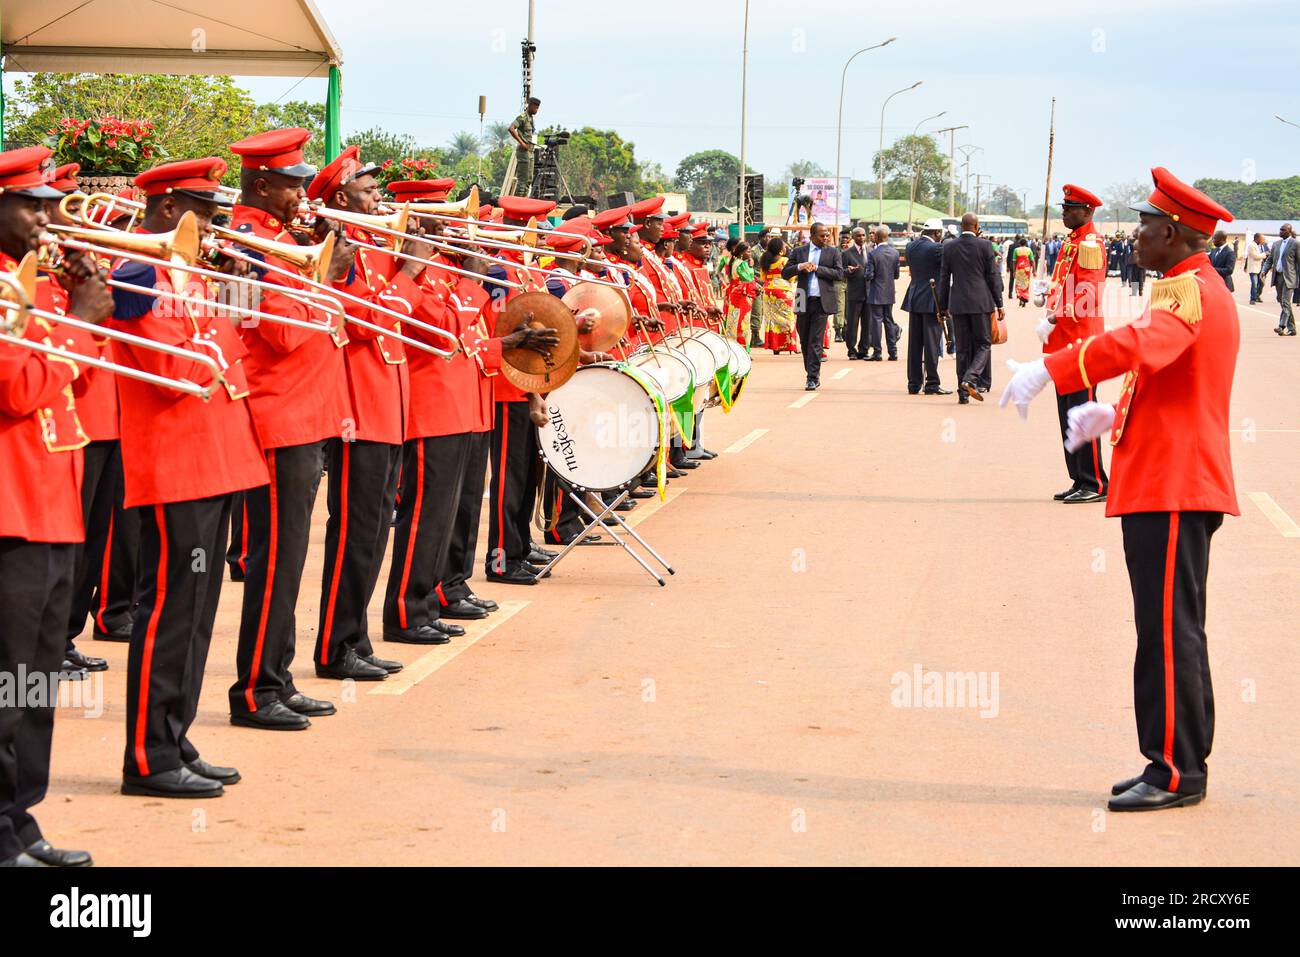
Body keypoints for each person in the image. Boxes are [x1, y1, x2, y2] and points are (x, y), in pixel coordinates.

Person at [1000, 167, 1239, 812]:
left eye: (1145, 225)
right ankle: (1178, 758)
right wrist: (1113, 415)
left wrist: (1051, 369)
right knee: (1172, 627)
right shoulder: (1193, 286)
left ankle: (1174, 771)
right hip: (1173, 477)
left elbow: (1139, 343)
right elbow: (1167, 372)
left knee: (1166, 631)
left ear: (1174, 232)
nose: (1135, 235)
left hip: (1174, 484)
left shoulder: (1184, 290)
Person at [109, 158, 270, 796]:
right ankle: (148, 757)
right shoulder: (137, 274)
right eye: (206, 213)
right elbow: (179, 367)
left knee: (200, 611)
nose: (216, 227)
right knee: (169, 611)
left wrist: (236, 291)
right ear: (171, 210)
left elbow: (242, 345)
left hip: (215, 456)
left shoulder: (191, 272)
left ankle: (175, 735)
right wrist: (217, 340)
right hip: (175, 462)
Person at [0, 144, 109, 865]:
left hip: (53, 501)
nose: (48, 216)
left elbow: (83, 391)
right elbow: (17, 390)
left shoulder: (37, 289)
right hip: (11, 507)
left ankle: (21, 819)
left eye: (49, 202)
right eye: (32, 204)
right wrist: (79, 324)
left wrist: (82, 313)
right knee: (7, 685)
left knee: (37, 683)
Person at [1034, 184, 1109, 503]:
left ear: (1088, 211)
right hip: (1064, 339)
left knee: (1081, 411)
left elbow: (1088, 294)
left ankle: (1094, 483)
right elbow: (1067, 283)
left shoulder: (1090, 243)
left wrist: (1054, 318)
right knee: (1068, 413)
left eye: (1070, 208)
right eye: (1064, 207)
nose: (1064, 213)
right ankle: (1079, 478)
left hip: (1079, 340)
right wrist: (1046, 295)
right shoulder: (1073, 242)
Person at [937, 212, 1002, 404]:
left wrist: (942, 307)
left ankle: (962, 394)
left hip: (958, 304)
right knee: (984, 343)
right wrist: (999, 303)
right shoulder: (985, 245)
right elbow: (992, 276)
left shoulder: (949, 246)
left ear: (960, 226)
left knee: (963, 348)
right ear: (976, 226)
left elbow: (943, 279)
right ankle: (970, 378)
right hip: (981, 303)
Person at [781, 221, 844, 391]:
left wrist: (818, 268)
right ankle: (811, 371)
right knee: (804, 339)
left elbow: (839, 274)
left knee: (816, 341)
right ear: (812, 235)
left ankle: (812, 377)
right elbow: (785, 272)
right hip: (802, 298)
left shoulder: (833, 252)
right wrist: (800, 267)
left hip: (821, 300)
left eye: (827, 235)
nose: (826, 238)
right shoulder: (799, 251)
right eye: (822, 235)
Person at [901, 220, 950, 395]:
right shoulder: (937, 249)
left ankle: (913, 384)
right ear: (937, 233)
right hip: (932, 300)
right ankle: (932, 384)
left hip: (914, 298)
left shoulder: (910, 247)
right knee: (931, 345)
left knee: (914, 344)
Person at [866, 227, 901, 360]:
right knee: (889, 321)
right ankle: (893, 352)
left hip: (876, 292)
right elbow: (896, 275)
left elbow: (869, 275)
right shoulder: (895, 253)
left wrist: (866, 273)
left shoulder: (873, 254)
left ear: (878, 238)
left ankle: (877, 352)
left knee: (876, 322)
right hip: (889, 292)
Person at [759, 236, 798, 354]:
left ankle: (775, 346)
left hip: (768, 291)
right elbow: (791, 277)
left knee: (771, 319)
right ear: (780, 249)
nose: (785, 248)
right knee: (788, 318)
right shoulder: (784, 261)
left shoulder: (764, 260)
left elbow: (762, 277)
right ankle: (790, 344)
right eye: (784, 246)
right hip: (783, 290)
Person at [1260, 223, 1298, 335]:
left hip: (1290, 277)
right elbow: (1270, 259)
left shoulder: (1295, 244)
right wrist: (1264, 270)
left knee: (1285, 302)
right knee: (1282, 302)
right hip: (1278, 277)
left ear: (1289, 231)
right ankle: (1292, 328)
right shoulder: (1276, 244)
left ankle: (1281, 326)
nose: (1280, 232)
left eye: (1283, 230)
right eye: (1280, 230)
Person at [841, 226, 872, 359]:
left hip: (870, 293)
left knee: (867, 323)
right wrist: (848, 271)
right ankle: (851, 350)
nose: (862, 238)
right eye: (858, 236)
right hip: (854, 293)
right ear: (853, 238)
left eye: (863, 235)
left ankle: (864, 349)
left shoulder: (871, 252)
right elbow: (840, 272)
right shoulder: (847, 253)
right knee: (852, 324)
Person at [724, 241, 758, 345]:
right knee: (744, 321)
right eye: (748, 251)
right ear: (742, 253)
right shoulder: (743, 264)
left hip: (735, 292)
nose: (750, 253)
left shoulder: (734, 262)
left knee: (733, 320)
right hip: (743, 294)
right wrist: (751, 267)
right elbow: (749, 279)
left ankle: (733, 345)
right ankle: (743, 347)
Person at [507, 96, 540, 196]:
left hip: (530, 151)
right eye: (535, 107)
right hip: (523, 151)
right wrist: (522, 143)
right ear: (530, 105)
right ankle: (517, 204)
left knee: (528, 181)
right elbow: (511, 128)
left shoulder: (531, 118)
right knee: (522, 181)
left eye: (538, 108)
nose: (537, 110)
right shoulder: (522, 117)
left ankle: (523, 204)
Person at [1009, 237, 1035, 307]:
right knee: (1026, 282)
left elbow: (1014, 261)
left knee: (1019, 283)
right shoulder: (1029, 250)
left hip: (1019, 267)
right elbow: (1032, 261)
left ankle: (1021, 298)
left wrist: (1014, 271)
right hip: (1027, 267)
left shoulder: (1016, 250)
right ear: (1026, 243)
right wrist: (1034, 271)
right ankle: (1025, 298)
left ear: (1019, 244)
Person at [1245, 232, 1268, 304]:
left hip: (1260, 267)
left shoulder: (1260, 246)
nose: (1263, 241)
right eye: (1262, 239)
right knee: (1254, 284)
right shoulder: (1251, 246)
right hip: (1254, 268)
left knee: (1261, 283)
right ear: (1257, 239)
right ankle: (1252, 299)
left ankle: (1257, 296)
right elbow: (1255, 256)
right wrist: (1265, 254)